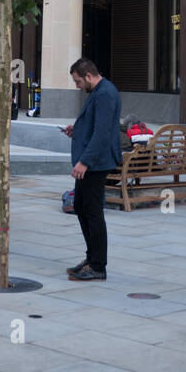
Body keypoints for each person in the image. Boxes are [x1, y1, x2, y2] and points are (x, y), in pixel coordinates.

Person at [62, 58, 122, 281]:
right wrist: (76, 129)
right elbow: (94, 126)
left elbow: (103, 133)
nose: (77, 86)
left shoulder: (105, 93)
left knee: (92, 210)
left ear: (88, 76)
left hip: (96, 162)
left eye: (78, 81)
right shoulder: (99, 92)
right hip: (92, 160)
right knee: (80, 205)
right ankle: (91, 258)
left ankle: (98, 265)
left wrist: (85, 161)